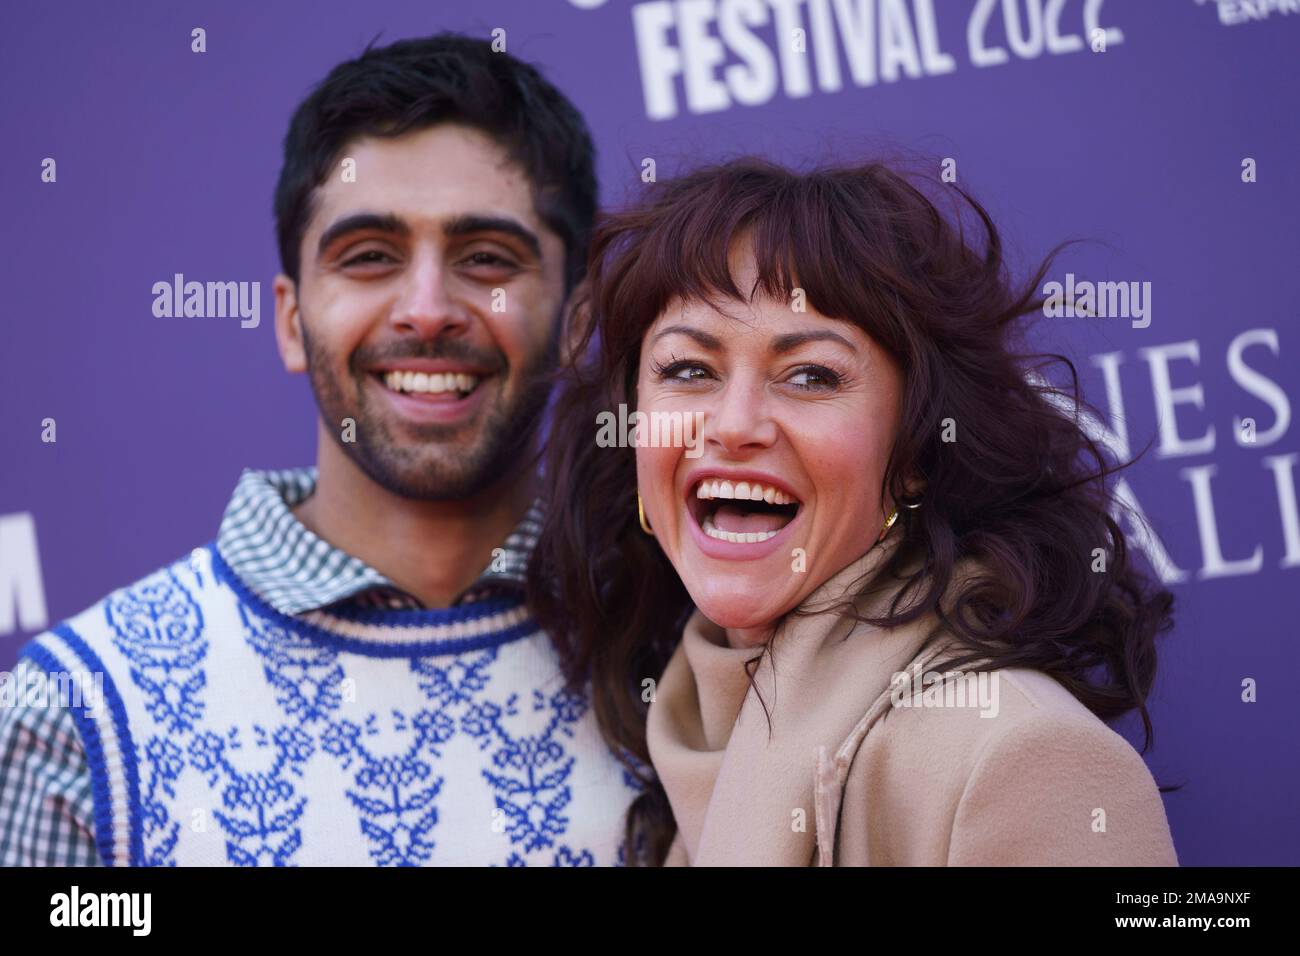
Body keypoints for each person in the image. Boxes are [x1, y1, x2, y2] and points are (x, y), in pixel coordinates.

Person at [0, 33, 639, 867]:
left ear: (578, 320)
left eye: (486, 258)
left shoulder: (691, 650)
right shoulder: (76, 710)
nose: (426, 309)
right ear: (291, 320)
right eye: (368, 257)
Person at [528, 157, 1180, 866]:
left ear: (910, 454)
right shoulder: (684, 747)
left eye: (811, 375)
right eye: (689, 370)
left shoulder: (1017, 757)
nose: (735, 423)